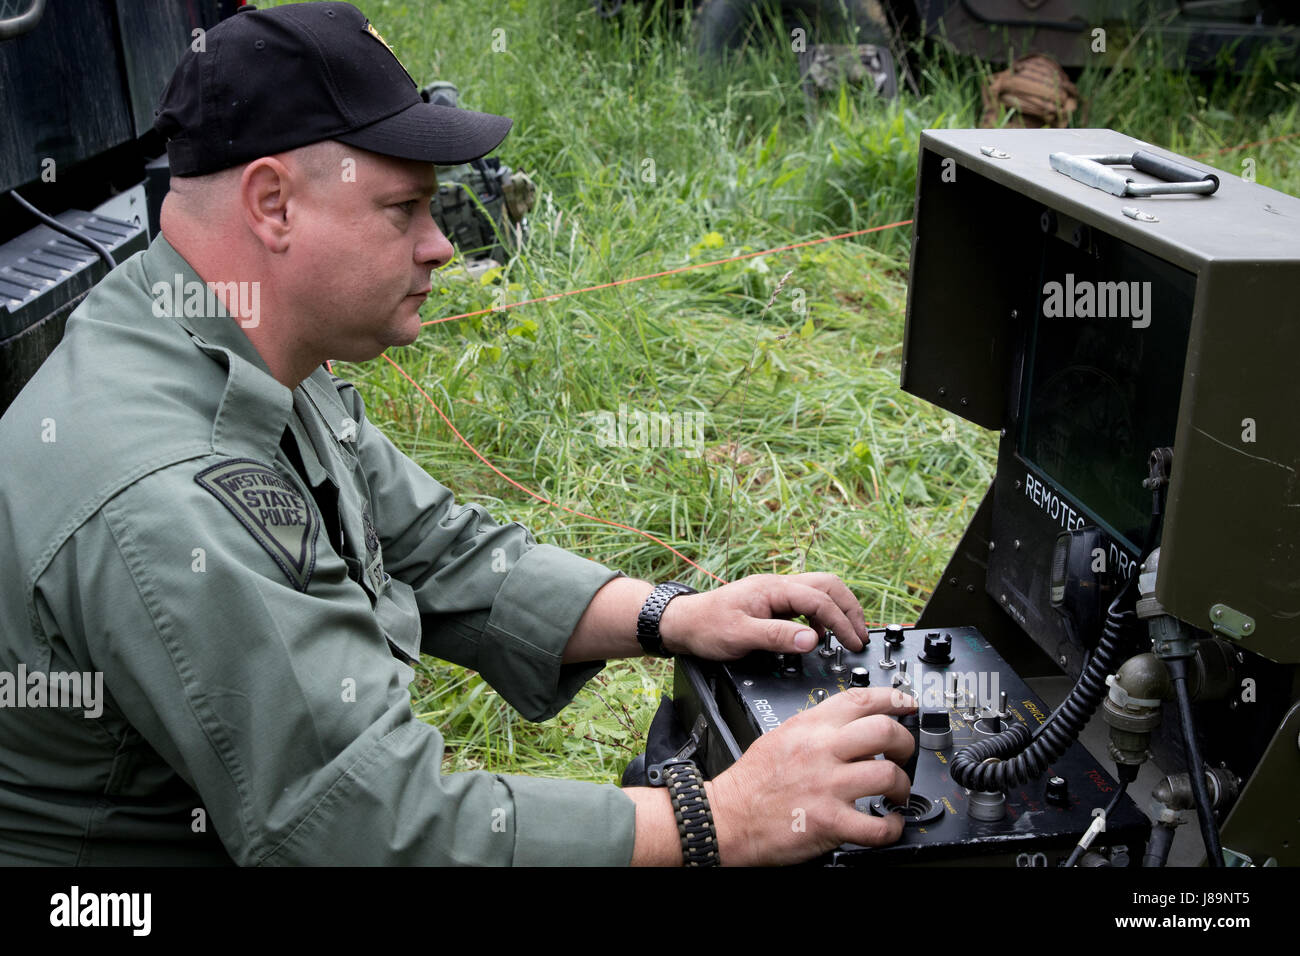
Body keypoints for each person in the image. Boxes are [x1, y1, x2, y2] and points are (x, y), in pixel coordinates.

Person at [0, 1, 913, 866]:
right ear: (273, 206)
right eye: (404, 210)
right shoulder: (165, 489)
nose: (441, 244)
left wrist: (667, 616)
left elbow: (435, 549)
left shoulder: (220, 331)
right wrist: (719, 820)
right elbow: (358, 827)